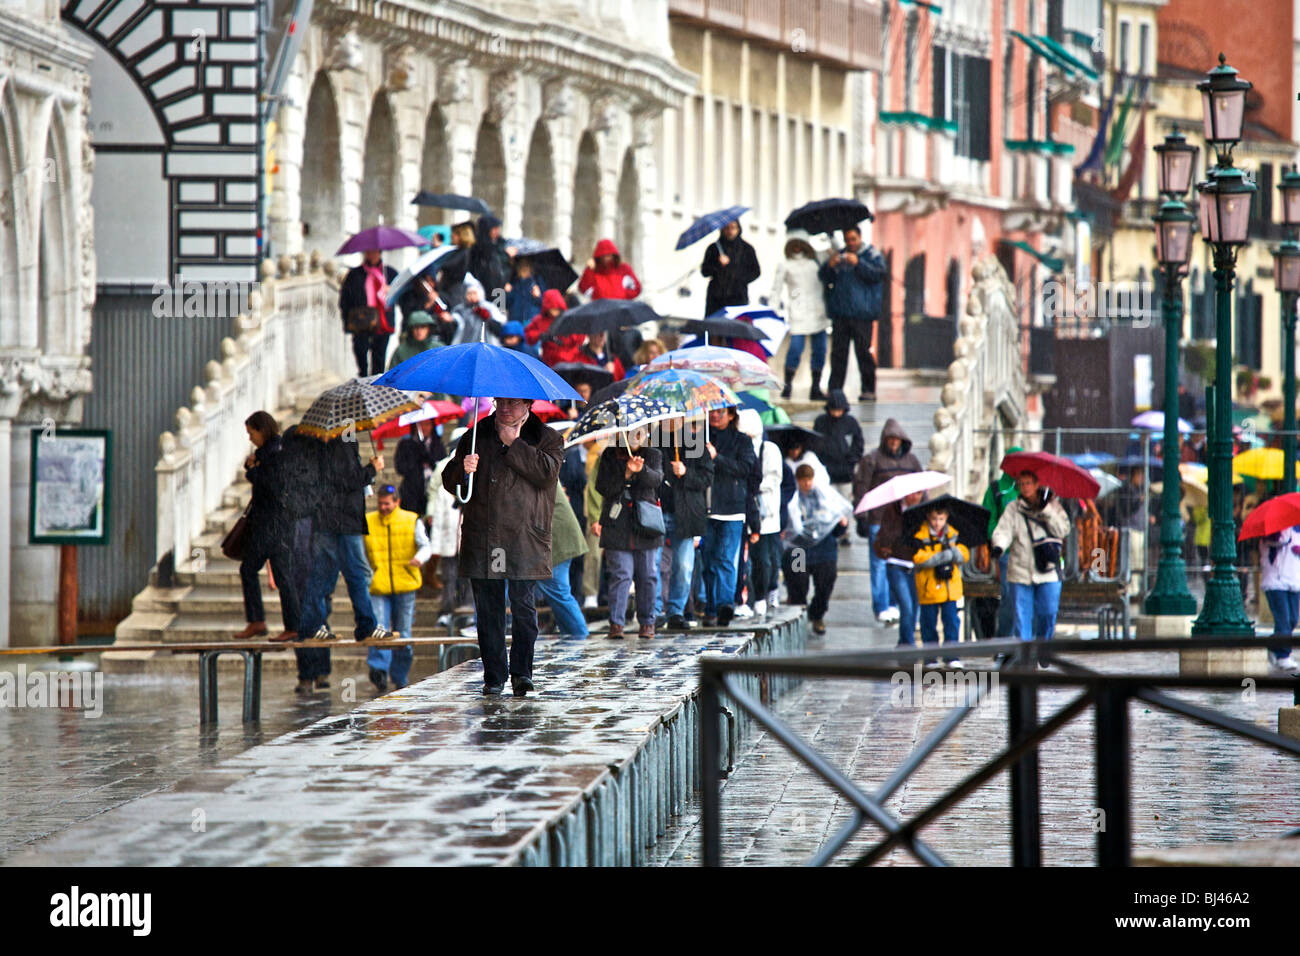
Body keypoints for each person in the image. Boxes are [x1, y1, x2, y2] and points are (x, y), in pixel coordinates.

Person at [441, 396, 563, 696]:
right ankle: (494, 675)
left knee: (523, 608)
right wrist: (461, 470)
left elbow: (547, 475)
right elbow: (448, 478)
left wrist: (515, 444)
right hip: (485, 536)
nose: (505, 408)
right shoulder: (475, 435)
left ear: (528, 405)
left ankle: (522, 673)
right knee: (488, 610)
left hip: (524, 538)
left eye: (513, 403)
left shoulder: (547, 438)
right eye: (501, 402)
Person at [294, 437, 394, 657]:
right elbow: (347, 480)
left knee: (325, 574)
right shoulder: (342, 442)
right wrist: (371, 469)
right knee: (356, 573)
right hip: (343, 521)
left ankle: (311, 625)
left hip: (332, 519)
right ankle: (366, 626)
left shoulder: (331, 441)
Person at [990, 471, 1072, 656]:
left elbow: (1063, 529)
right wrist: (999, 546)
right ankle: (1026, 656)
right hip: (1020, 569)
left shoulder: (1053, 505)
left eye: (1028, 483)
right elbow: (1003, 530)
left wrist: (1046, 511)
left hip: (1048, 570)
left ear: (1036, 484)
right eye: (1021, 483)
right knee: (1022, 617)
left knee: (1048, 612)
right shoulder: (1013, 508)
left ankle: (1043, 648)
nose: (1025, 487)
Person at [363, 484, 436, 692]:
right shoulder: (369, 521)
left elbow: (426, 546)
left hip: (405, 583)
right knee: (380, 630)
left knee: (403, 632)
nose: (383, 507)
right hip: (379, 584)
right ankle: (379, 671)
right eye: (380, 504)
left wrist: (419, 559)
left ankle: (400, 675)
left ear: (397, 502)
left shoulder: (411, 519)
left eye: (387, 503)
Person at [235, 411, 301, 643]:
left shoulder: (274, 454)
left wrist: (253, 470)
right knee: (282, 576)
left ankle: (259, 621)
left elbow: (269, 485)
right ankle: (290, 625)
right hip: (279, 524)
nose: (250, 438)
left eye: (251, 433)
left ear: (261, 430)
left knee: (250, 570)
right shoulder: (274, 451)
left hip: (270, 526)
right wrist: (253, 466)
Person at [595, 427, 664, 638]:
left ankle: (647, 622)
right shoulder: (610, 453)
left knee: (647, 575)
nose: (636, 436)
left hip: (646, 525)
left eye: (640, 432)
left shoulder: (653, 454)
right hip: (617, 524)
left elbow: (656, 480)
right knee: (620, 574)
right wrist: (625, 472)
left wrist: (640, 470)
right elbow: (602, 486)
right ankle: (616, 624)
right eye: (632, 432)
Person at [852, 418, 922, 625]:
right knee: (879, 563)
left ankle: (895, 603)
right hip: (878, 519)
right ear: (885, 440)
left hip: (905, 521)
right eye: (890, 439)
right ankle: (881, 605)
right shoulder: (871, 460)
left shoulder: (912, 461)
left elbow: (921, 489)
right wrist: (861, 517)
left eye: (896, 439)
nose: (893, 442)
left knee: (899, 562)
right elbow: (861, 487)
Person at [698, 406, 756, 626]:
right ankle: (711, 607)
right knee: (708, 560)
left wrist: (717, 457)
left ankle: (725, 605)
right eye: (711, 412)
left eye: (720, 412)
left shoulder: (742, 441)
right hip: (707, 508)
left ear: (731, 415)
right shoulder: (700, 438)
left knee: (725, 559)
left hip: (732, 509)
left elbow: (745, 468)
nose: (714, 415)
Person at [656, 418, 714, 630]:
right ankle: (654, 611)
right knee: (653, 565)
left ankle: (676, 611)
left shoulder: (694, 442)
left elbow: (707, 477)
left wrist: (686, 472)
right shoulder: (652, 441)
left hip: (686, 513)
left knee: (684, 565)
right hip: (657, 511)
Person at [818, 225, 887, 402]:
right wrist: (830, 266)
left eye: (853, 239)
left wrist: (859, 263)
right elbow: (824, 277)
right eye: (848, 240)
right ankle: (835, 391)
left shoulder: (872, 255)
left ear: (859, 238)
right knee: (838, 354)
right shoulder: (839, 256)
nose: (851, 243)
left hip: (863, 314)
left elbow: (879, 275)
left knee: (863, 352)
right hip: (841, 313)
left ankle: (868, 389)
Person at [783, 464, 851, 634]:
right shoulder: (793, 498)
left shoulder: (825, 497)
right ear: (798, 481)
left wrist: (841, 525)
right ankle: (797, 617)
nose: (807, 484)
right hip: (799, 549)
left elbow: (834, 520)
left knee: (826, 582)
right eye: (803, 480)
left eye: (809, 480)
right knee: (797, 584)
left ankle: (817, 614)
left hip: (823, 548)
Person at [770, 230, 829, 400]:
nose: (797, 247)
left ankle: (816, 387)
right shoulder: (785, 264)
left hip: (818, 312)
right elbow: (776, 288)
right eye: (793, 244)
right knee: (795, 349)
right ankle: (788, 385)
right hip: (798, 313)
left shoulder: (815, 262)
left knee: (820, 350)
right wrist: (773, 309)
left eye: (800, 243)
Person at [911, 501, 968, 666]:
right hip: (928, 588)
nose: (937, 523)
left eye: (941, 519)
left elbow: (964, 555)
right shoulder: (920, 536)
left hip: (950, 588)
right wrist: (942, 556)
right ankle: (930, 656)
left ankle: (952, 656)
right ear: (929, 518)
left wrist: (952, 553)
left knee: (951, 621)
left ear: (946, 518)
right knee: (928, 623)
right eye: (935, 519)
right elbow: (919, 559)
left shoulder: (954, 534)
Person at [739, 409, 783, 617]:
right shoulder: (739, 447)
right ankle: (748, 597)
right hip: (744, 510)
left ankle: (764, 594)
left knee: (765, 560)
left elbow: (774, 479)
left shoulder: (769, 449)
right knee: (744, 561)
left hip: (766, 514)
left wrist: (753, 485)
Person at [534, 483, 590, 640]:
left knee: (557, 591)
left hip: (557, 538)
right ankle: (574, 637)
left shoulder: (531, 464)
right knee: (557, 593)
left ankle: (580, 637)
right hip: (558, 536)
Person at [873, 489, 926, 647]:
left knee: (915, 607)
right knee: (906, 606)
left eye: (919, 494)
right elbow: (884, 536)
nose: (915, 497)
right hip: (897, 564)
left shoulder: (924, 510)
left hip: (916, 565)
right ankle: (909, 644)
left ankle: (903, 643)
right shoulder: (892, 510)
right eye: (913, 493)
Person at [427, 434, 467, 629]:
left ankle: (468, 611)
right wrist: (436, 546)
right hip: (449, 540)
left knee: (468, 578)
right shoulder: (444, 489)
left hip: (468, 539)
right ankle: (446, 611)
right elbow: (440, 519)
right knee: (449, 577)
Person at [982, 445, 1023, 638]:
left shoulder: (1029, 487)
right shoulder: (997, 489)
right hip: (1006, 551)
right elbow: (989, 517)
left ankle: (1022, 638)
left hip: (1027, 551)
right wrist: (995, 540)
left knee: (1024, 597)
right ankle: (1005, 639)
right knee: (1009, 596)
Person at [339, 249, 397, 376]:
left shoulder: (389, 273)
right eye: (369, 252)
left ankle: (377, 388)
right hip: (361, 322)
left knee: (379, 357)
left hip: (383, 322)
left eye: (375, 252)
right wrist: (347, 321)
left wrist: (391, 290)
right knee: (360, 353)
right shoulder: (355, 274)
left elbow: (400, 294)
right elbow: (345, 299)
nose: (371, 254)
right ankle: (363, 381)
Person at [813, 390, 865, 522]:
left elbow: (858, 443)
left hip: (845, 473)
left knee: (845, 503)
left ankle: (844, 532)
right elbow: (815, 443)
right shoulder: (821, 422)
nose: (836, 413)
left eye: (839, 410)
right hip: (827, 472)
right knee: (828, 504)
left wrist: (852, 460)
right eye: (834, 410)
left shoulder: (851, 423)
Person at [1260, 524, 1300, 675]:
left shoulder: (1297, 532)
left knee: (1292, 620)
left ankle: (1272, 645)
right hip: (1276, 583)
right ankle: (1283, 655)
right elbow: (1276, 542)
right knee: (1283, 620)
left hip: (1294, 583)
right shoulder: (1273, 532)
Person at [700, 219, 761, 318]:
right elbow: (705, 271)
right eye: (727, 228)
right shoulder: (714, 248)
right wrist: (718, 264)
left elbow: (755, 271)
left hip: (738, 297)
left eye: (733, 228)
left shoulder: (746, 249)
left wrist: (739, 279)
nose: (730, 231)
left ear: (738, 229)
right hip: (716, 298)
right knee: (714, 327)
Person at [394, 418, 445, 517]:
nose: (424, 428)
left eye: (427, 424)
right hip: (412, 492)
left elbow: (442, 466)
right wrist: (417, 457)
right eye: (421, 425)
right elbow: (400, 467)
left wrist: (430, 459)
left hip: (431, 490)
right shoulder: (405, 444)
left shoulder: (437, 444)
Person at [526, 289, 584, 367]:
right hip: (549, 361)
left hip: (569, 361)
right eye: (553, 308)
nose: (555, 312)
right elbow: (527, 335)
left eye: (557, 309)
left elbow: (580, 338)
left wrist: (569, 335)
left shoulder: (569, 318)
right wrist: (540, 335)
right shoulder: (540, 320)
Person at [451, 275, 506, 345]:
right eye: (469, 294)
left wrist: (488, 318)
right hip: (466, 345)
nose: (472, 296)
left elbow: (498, 328)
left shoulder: (489, 308)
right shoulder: (460, 310)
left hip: (487, 345)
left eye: (474, 293)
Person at [469, 214, 513, 301]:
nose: (497, 231)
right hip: (482, 289)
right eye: (494, 228)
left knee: (498, 312)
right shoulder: (478, 247)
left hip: (499, 289)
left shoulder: (501, 244)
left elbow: (503, 267)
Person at [506, 257, 545, 326]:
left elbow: (544, 303)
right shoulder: (513, 282)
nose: (524, 268)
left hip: (532, 320)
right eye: (521, 265)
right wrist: (508, 292)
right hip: (515, 320)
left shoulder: (537, 281)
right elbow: (506, 304)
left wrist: (538, 296)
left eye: (526, 265)